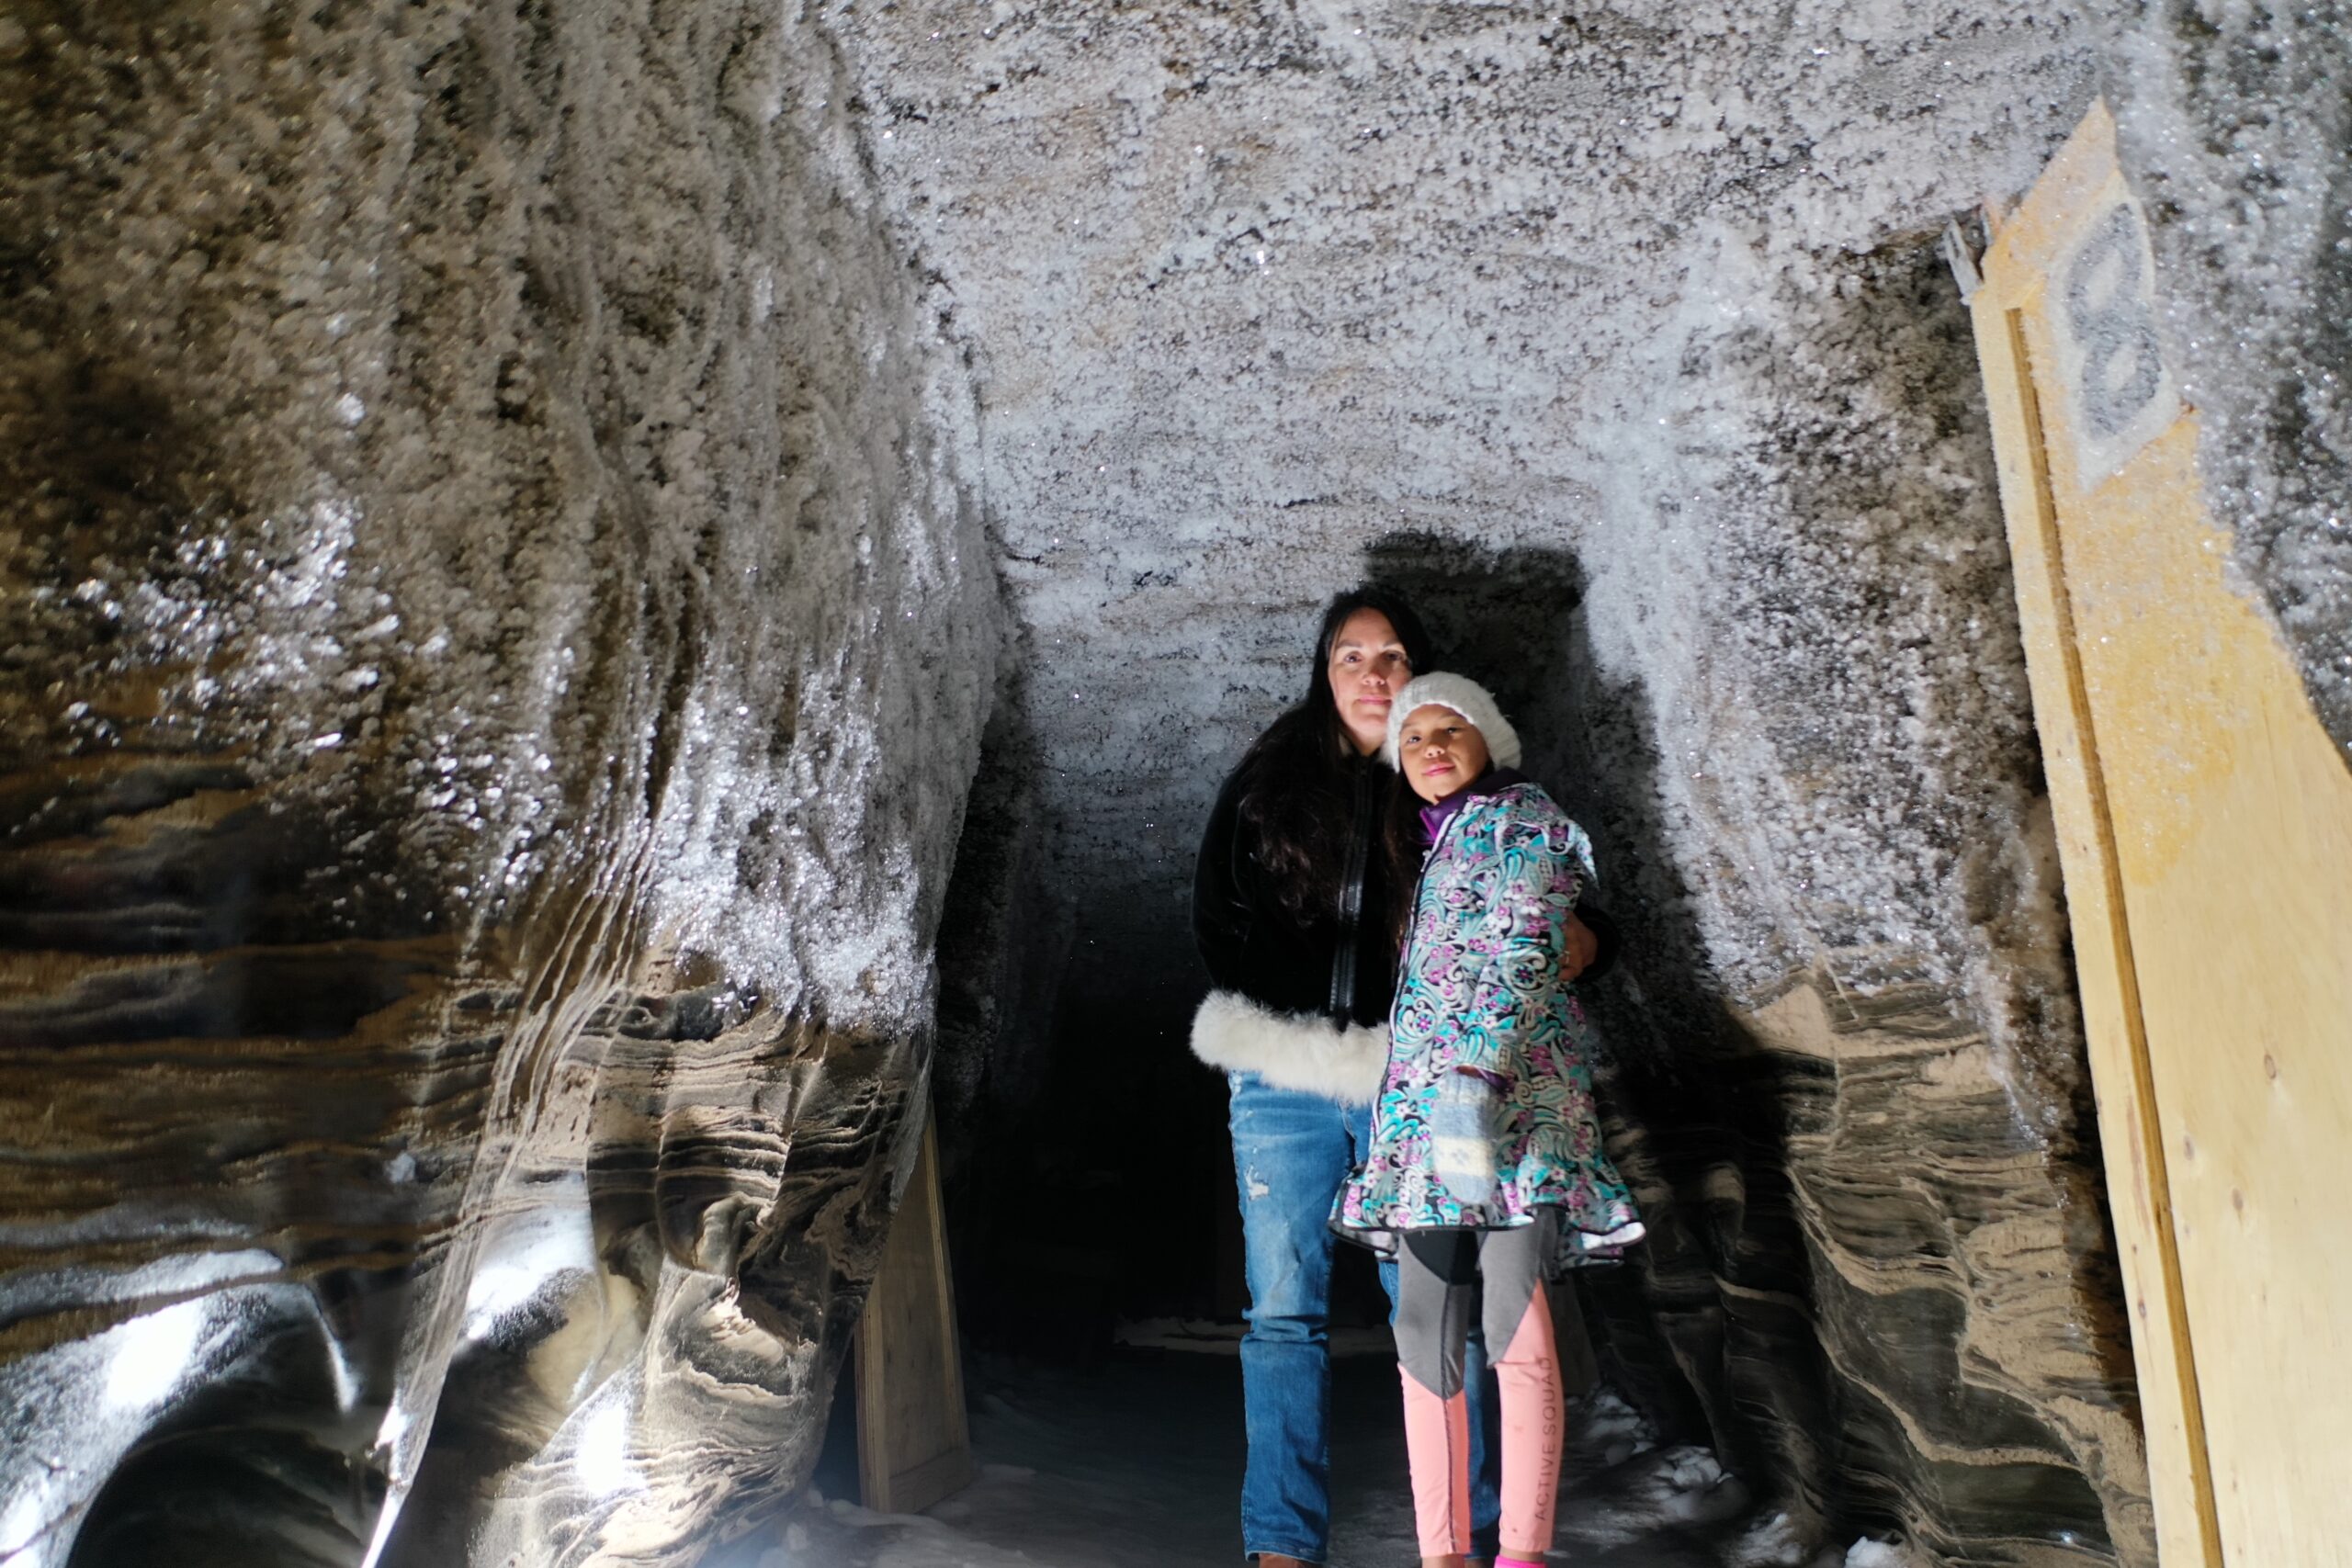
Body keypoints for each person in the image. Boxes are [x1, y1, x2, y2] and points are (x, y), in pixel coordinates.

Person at [1191, 589, 1606, 1568]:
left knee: (1435, 1300)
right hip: (1281, 1079)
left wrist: (1597, 938)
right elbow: (1215, 913)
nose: (1373, 675)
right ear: (1322, 674)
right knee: (1281, 1311)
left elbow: (1536, 886)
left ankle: (1464, 1532)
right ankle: (1281, 1547)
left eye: (1391, 657)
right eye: (1351, 657)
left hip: (1413, 1087)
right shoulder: (1265, 782)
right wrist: (1276, 1008)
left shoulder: (1444, 778)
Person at [1333, 673, 1645, 1568]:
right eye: (1414, 736)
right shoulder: (1425, 851)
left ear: (1488, 738)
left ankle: (1523, 1554)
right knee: (1420, 1329)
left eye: (1449, 728)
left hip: (1515, 1116)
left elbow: (1530, 943)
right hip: (1429, 1129)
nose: (1431, 746)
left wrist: (1479, 1074)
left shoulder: (1524, 822)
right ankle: (1442, 1555)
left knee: (1514, 1320)